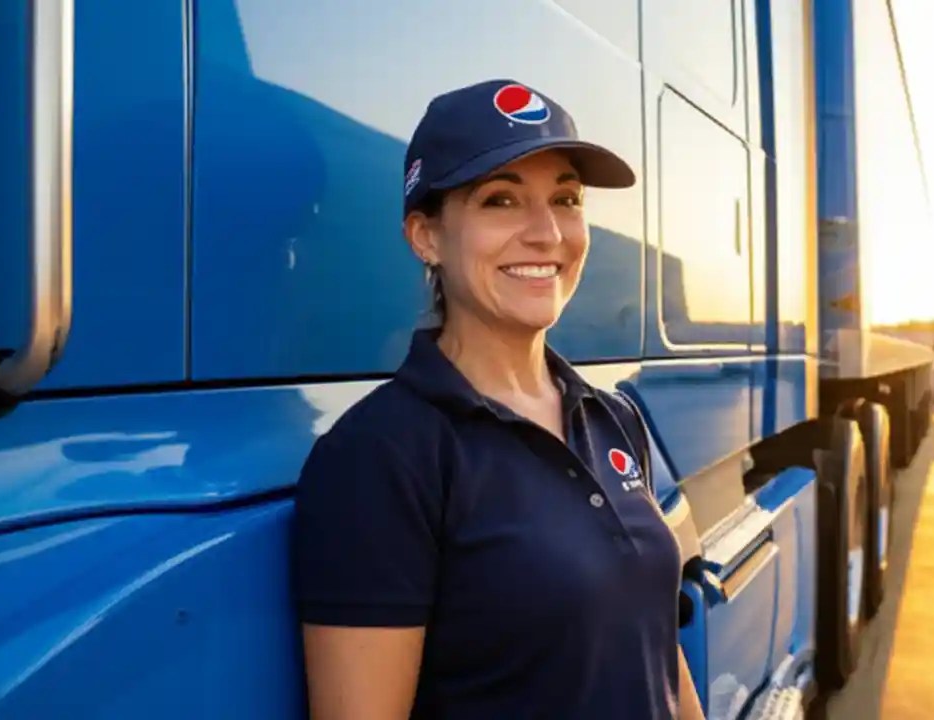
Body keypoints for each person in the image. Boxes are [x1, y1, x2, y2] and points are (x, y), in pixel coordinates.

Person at [292, 78, 706, 720]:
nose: (547, 233)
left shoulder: (612, 417)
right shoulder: (380, 457)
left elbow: (654, 648)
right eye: (501, 200)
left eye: (565, 199)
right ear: (426, 237)